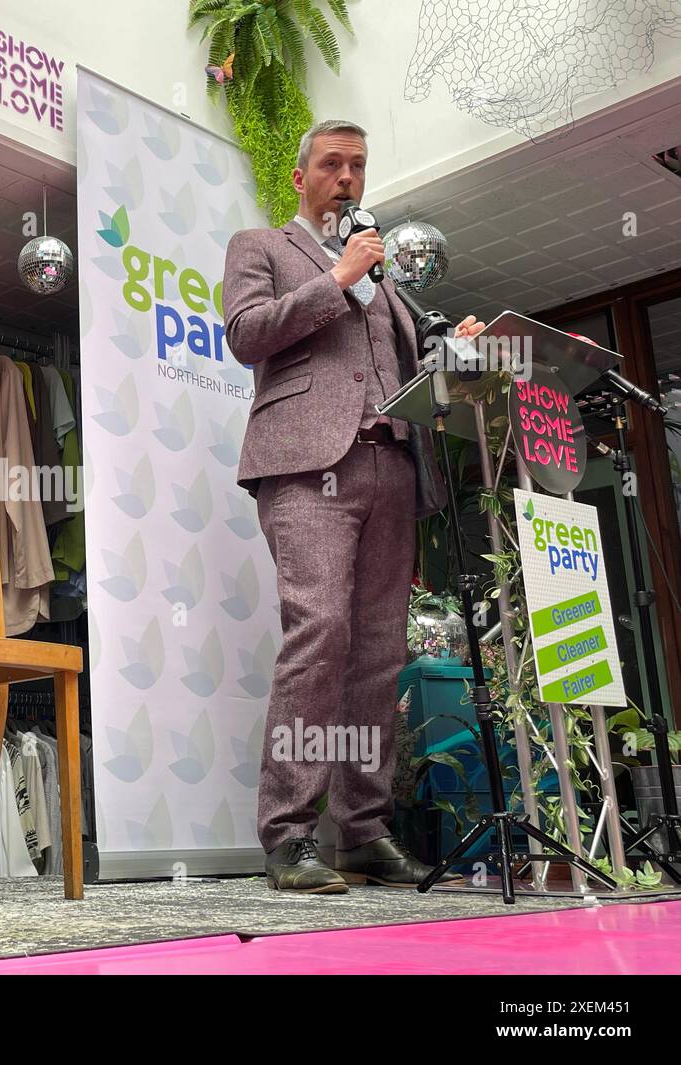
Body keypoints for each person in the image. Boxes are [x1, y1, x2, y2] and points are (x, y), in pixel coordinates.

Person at [223, 120, 486, 893]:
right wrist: (337, 278)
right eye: (331, 165)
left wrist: (450, 351)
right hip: (307, 468)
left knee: (379, 653)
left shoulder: (389, 281)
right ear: (299, 178)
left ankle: (364, 831)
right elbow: (246, 334)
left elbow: (404, 369)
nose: (347, 178)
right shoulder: (262, 246)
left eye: (358, 166)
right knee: (321, 632)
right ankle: (290, 834)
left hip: (393, 468)